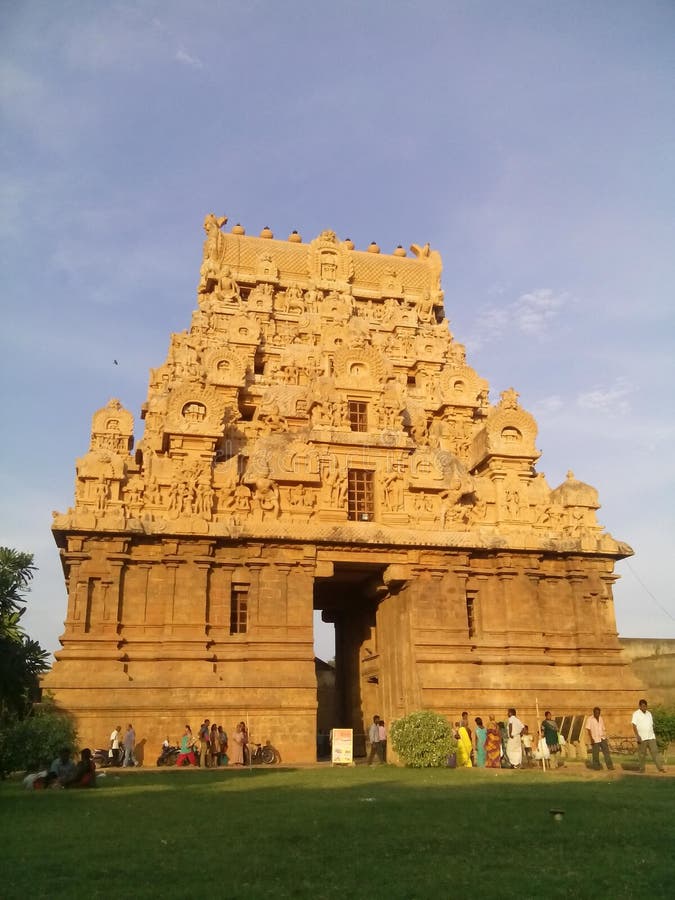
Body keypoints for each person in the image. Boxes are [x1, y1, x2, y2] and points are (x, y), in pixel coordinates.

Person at [631, 699, 665, 773]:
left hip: (651, 737)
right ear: (639, 706)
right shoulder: (636, 714)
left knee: (655, 752)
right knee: (642, 754)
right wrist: (637, 736)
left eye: (645, 706)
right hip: (641, 738)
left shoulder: (649, 713)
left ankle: (660, 768)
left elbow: (651, 724)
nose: (644, 707)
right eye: (643, 706)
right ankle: (642, 769)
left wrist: (654, 733)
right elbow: (634, 725)